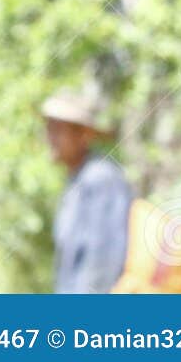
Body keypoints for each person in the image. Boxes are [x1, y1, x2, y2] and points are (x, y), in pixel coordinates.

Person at [42, 88, 132, 293]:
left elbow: (103, 261)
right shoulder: (78, 180)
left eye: (57, 130)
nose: (49, 137)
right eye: (48, 128)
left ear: (83, 135)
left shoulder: (101, 179)